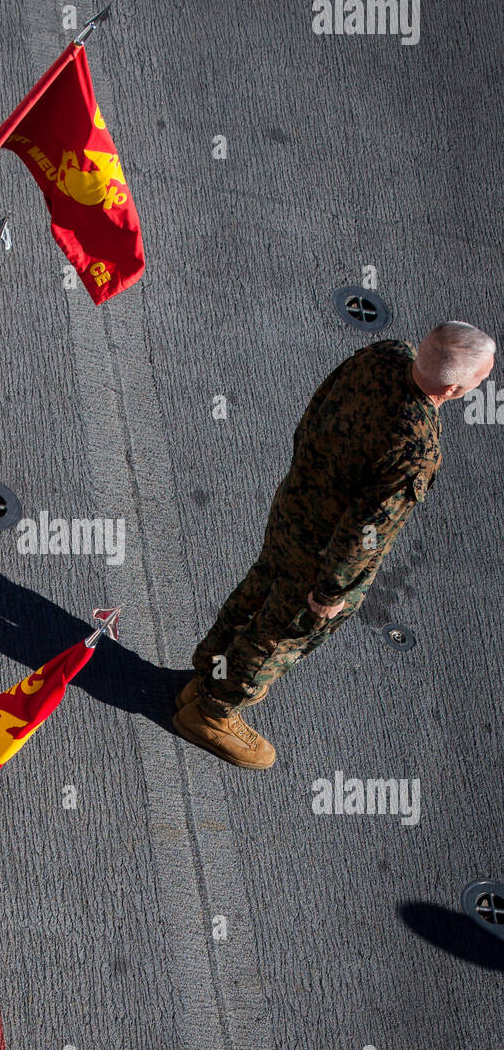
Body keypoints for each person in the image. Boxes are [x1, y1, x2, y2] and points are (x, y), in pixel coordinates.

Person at [174, 323, 496, 769]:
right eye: (483, 377)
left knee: (257, 589)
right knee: (281, 633)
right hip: (324, 553)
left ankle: (209, 672)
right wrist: (331, 592)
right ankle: (212, 712)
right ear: (454, 387)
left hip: (294, 506)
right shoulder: (416, 446)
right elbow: (368, 529)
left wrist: (304, 477)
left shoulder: (384, 354)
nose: (485, 382)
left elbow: (316, 407)